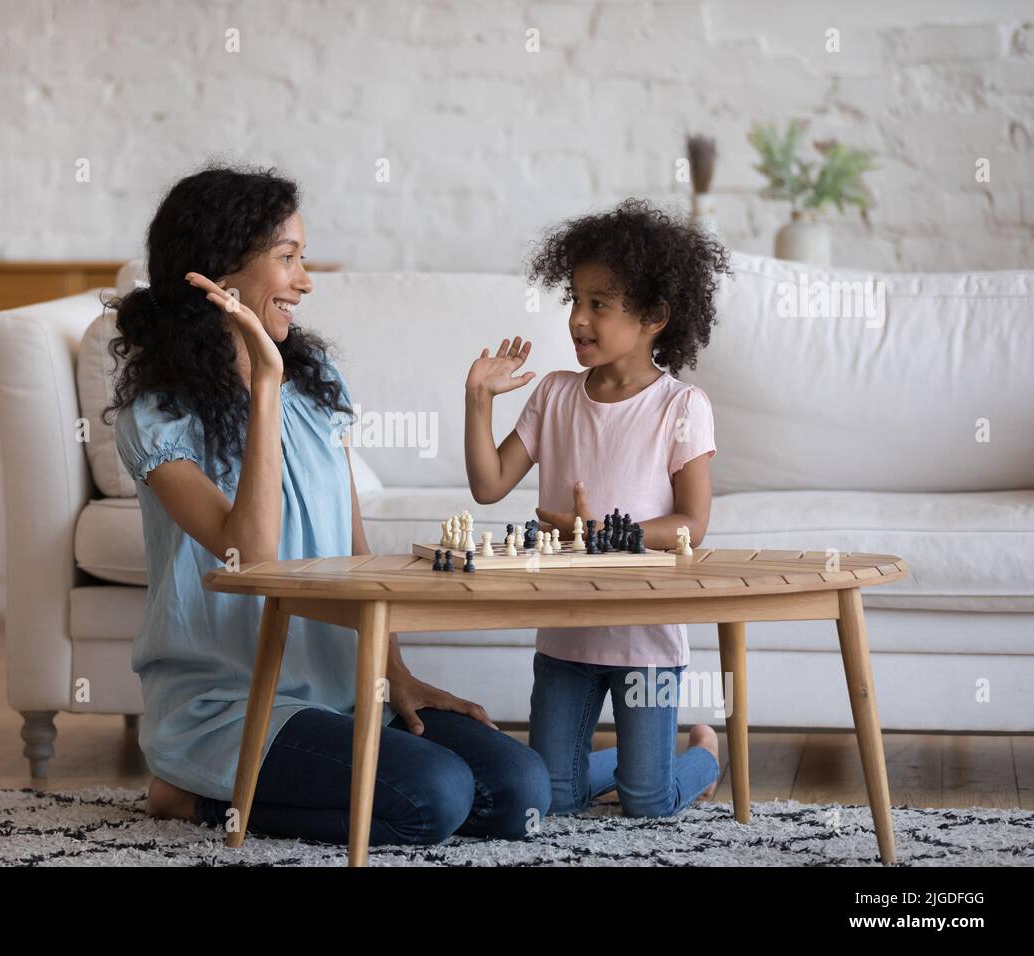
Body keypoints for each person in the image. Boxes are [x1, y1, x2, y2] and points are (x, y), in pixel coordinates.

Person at [105, 164, 550, 846]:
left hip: (344, 688)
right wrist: (262, 388)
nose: (305, 281)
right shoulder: (158, 411)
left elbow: (354, 548)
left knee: (521, 789)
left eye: (302, 260)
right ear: (222, 269)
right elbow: (250, 556)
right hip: (230, 704)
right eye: (287, 259)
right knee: (434, 797)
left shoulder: (318, 387)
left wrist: (393, 673)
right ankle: (190, 797)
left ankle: (301, 770)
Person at [462, 198, 732, 817]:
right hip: (565, 635)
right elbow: (489, 484)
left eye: (599, 305)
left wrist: (603, 535)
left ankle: (704, 758)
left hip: (644, 638)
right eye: (575, 301)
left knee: (647, 802)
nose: (578, 319)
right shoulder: (556, 395)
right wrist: (478, 399)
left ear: (655, 317)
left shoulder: (681, 406)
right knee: (551, 797)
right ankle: (642, 763)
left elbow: (692, 522)